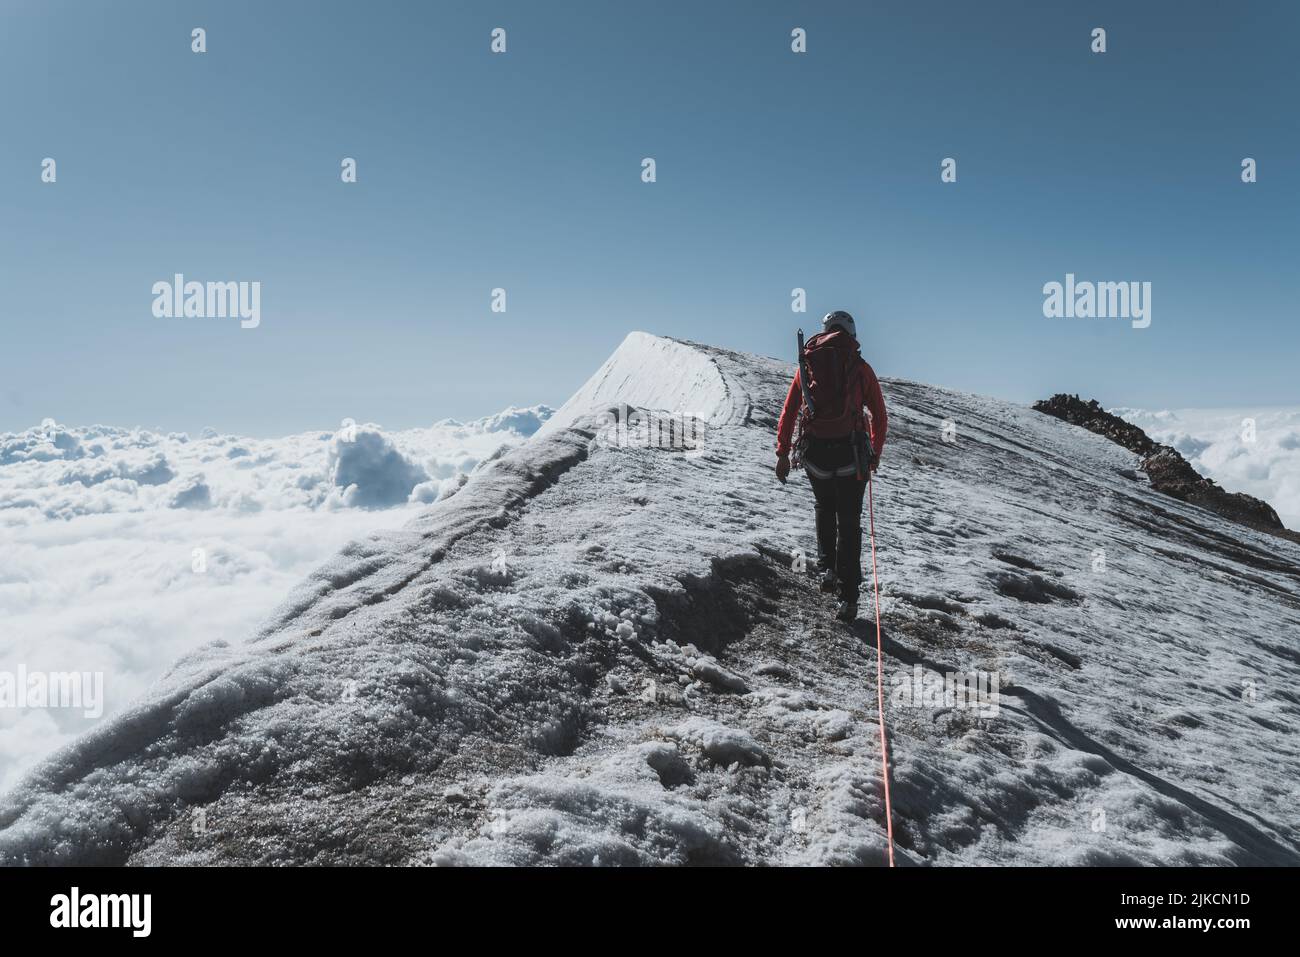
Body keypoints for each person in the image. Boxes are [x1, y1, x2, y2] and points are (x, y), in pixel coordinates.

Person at [775, 310, 888, 622]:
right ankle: (849, 598)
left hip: (817, 454)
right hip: (852, 455)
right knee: (850, 522)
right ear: (851, 334)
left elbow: (789, 410)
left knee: (824, 506)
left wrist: (783, 453)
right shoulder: (860, 367)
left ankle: (827, 568)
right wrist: (874, 453)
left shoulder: (807, 363)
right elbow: (879, 415)